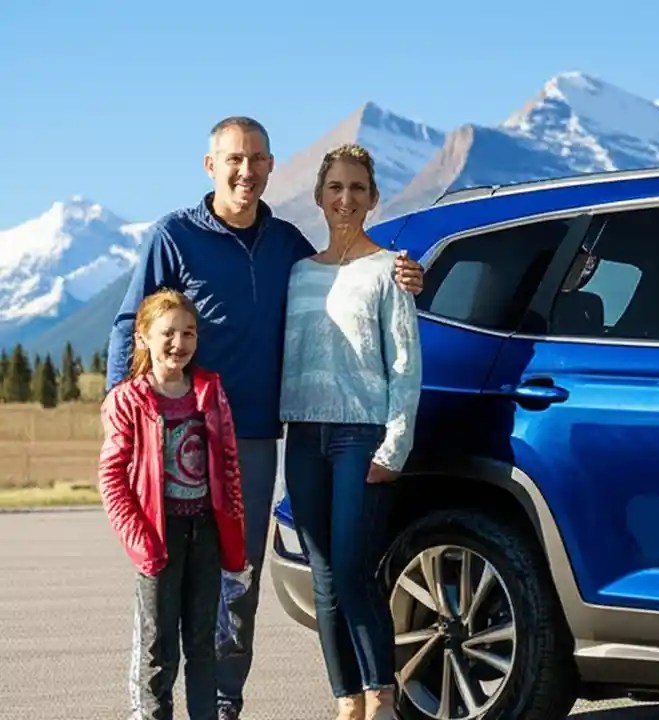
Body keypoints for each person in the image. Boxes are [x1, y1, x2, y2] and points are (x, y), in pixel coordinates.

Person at [105, 116, 425, 720]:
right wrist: (118, 410)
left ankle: (224, 705)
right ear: (211, 166)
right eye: (233, 159)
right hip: (170, 432)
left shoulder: (288, 249)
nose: (245, 170)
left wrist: (412, 276)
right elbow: (131, 325)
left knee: (238, 578)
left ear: (273, 167)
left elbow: (351, 277)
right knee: (161, 572)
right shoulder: (172, 235)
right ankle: (149, 707)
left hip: (251, 436)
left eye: (256, 159)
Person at [278, 144, 421, 720]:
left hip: (362, 435)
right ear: (319, 197)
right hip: (304, 436)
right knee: (324, 576)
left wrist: (395, 445)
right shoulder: (297, 274)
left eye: (357, 188)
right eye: (335, 187)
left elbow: (405, 365)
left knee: (355, 569)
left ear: (373, 198)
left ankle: (380, 697)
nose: (345, 199)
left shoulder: (391, 270)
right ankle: (346, 702)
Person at [98, 288, 247, 720]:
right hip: (158, 540)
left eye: (188, 333)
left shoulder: (209, 391)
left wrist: (231, 539)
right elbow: (111, 477)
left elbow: (230, 466)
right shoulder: (128, 400)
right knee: (158, 649)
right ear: (142, 336)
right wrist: (141, 542)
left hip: (205, 532)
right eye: (167, 333)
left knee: (203, 645)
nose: (178, 344)